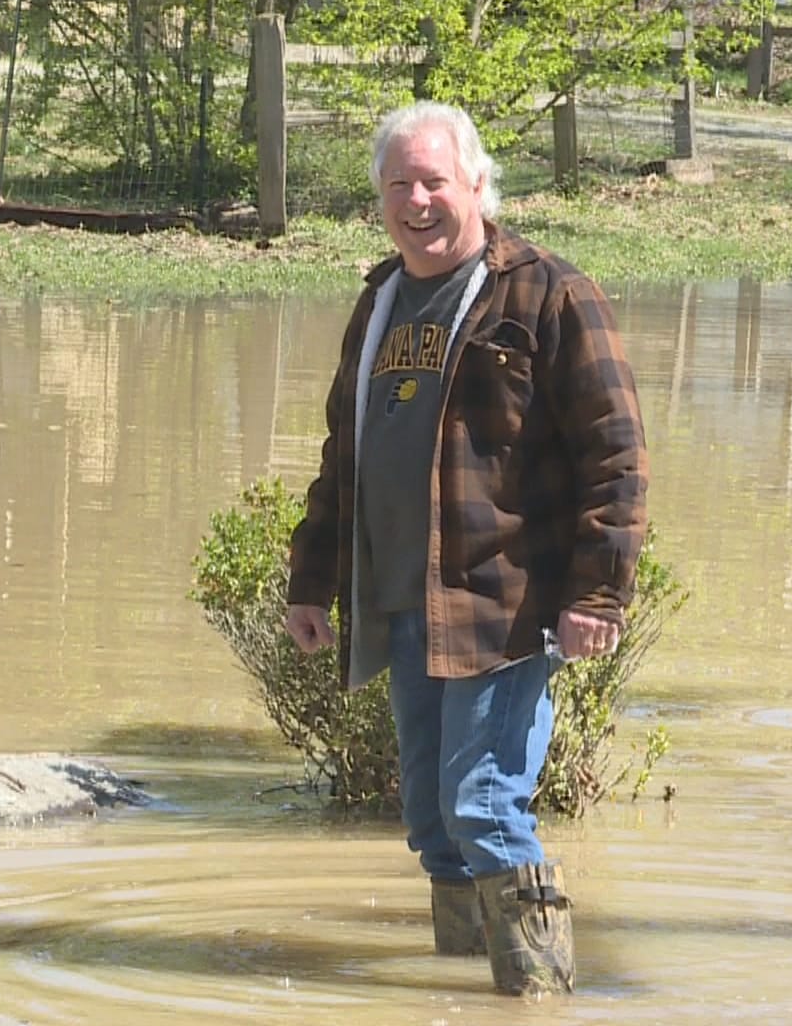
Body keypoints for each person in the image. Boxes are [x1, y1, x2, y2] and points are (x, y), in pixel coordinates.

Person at [282, 101, 648, 996]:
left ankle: (538, 998)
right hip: (403, 600)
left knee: (484, 808)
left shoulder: (549, 292)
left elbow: (618, 453)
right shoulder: (378, 303)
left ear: (478, 185)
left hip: (505, 605)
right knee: (432, 823)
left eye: (434, 181)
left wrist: (599, 594)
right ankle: (457, 992)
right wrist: (311, 579)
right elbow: (346, 455)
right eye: (399, 184)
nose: (417, 200)